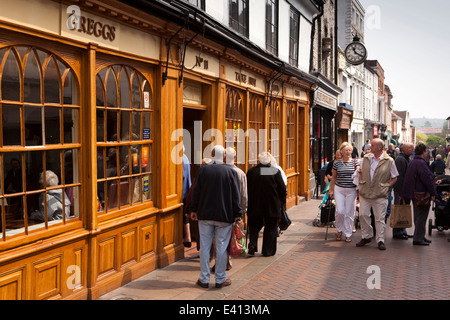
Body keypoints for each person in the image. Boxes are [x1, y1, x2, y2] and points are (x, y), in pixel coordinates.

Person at [190, 145, 242, 289]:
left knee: (205, 248)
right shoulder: (231, 172)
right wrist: (238, 214)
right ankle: (220, 278)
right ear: (224, 156)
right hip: (224, 216)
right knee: (221, 247)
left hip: (205, 215)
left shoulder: (203, 170)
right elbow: (235, 197)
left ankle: (204, 278)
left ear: (212, 154)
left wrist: (193, 209)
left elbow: (196, 192)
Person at [356, 138, 399, 250]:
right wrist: (361, 183)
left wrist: (387, 187)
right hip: (365, 192)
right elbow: (360, 172)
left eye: (373, 145)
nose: (370, 147)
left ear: (380, 147)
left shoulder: (389, 161)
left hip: (380, 193)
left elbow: (394, 177)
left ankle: (380, 240)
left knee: (379, 218)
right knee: (363, 215)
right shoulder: (365, 158)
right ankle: (367, 236)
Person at [246, 152, 286, 257]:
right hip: (271, 205)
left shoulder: (251, 172)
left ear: (259, 160)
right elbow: (282, 189)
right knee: (271, 227)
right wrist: (282, 203)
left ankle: (253, 244)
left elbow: (247, 188)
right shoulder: (274, 171)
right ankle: (268, 251)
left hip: (255, 205)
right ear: (269, 161)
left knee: (254, 226)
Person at [401, 143, 438, 246]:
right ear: (423, 152)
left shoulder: (413, 162)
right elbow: (427, 179)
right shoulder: (421, 163)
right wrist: (433, 193)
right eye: (426, 151)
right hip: (421, 193)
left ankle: (420, 236)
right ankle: (418, 238)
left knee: (418, 216)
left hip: (414, 193)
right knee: (421, 216)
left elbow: (407, 178)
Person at [329, 142, 359, 242]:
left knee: (349, 212)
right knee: (340, 211)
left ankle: (348, 233)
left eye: (349, 150)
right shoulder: (337, 163)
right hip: (339, 189)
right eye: (346, 150)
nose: (348, 152)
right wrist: (331, 190)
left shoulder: (355, 162)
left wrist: (359, 170)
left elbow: (359, 173)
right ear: (341, 151)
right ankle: (339, 230)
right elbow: (334, 178)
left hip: (351, 190)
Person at [392, 142, 414, 239]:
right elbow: (400, 178)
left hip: (405, 190)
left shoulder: (406, 159)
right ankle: (398, 231)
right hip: (401, 191)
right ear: (406, 149)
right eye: (411, 149)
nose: (413, 151)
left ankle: (402, 230)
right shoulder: (401, 160)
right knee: (399, 210)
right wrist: (401, 192)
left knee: (403, 210)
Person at [182, 145, 192, 248]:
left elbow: (182, 176)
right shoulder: (185, 157)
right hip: (186, 190)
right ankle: (187, 238)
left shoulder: (180, 159)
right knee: (185, 216)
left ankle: (187, 238)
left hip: (181, 192)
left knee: (184, 216)